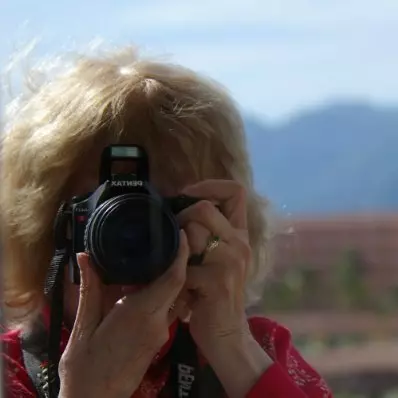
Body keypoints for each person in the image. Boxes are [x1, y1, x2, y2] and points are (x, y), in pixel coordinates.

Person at [0, 45, 332, 398]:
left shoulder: (257, 358)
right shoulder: (11, 373)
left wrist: (231, 346)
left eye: (165, 216)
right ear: (45, 230)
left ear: (219, 226)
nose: (135, 239)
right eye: (107, 215)